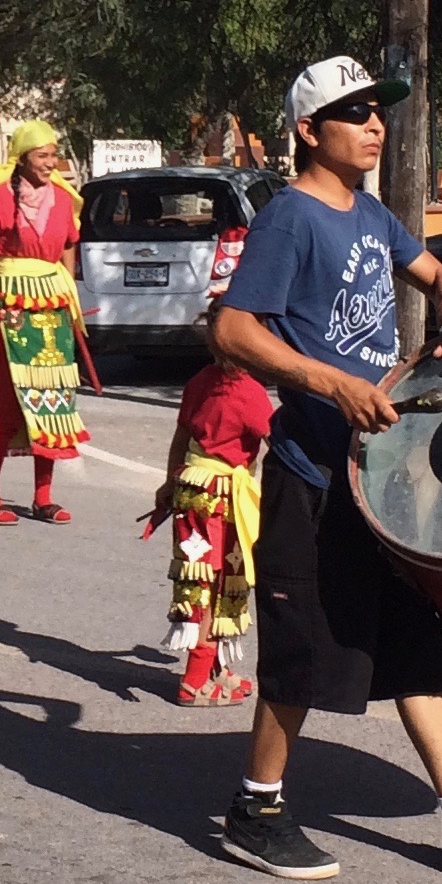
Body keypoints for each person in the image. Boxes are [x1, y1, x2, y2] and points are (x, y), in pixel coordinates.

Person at [213, 55, 442, 881]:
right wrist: (332, 381)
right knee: (305, 648)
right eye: (355, 111)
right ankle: (255, 807)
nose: (376, 122)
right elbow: (234, 331)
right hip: (312, 474)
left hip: (378, 477)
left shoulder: (372, 216)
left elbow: (441, 273)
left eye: (380, 108)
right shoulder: (290, 219)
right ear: (310, 130)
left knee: (414, 640)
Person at [154, 237, 272, 706]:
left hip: (190, 492)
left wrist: (168, 483)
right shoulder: (250, 394)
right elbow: (275, 439)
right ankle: (195, 679)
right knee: (219, 580)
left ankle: (217, 671)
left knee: (200, 575)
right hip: (223, 498)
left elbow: (181, 439)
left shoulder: (199, 382)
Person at [0, 120, 89, 523]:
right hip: (10, 311)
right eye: (42, 156)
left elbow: (68, 247)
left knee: (53, 403)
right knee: (4, 402)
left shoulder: (63, 200)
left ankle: (43, 497)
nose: (51, 163)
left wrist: (70, 298)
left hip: (53, 311)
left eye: (53, 155)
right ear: (23, 158)